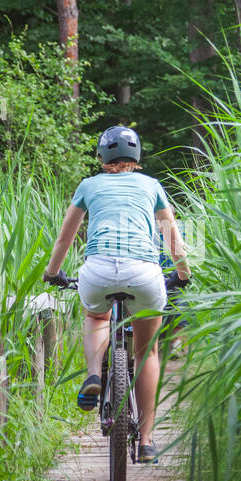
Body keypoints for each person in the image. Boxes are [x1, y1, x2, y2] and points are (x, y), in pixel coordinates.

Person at [43, 125, 190, 462]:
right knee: (147, 352)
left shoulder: (89, 186)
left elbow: (65, 239)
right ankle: (147, 442)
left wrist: (52, 274)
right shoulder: (152, 187)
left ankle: (94, 372)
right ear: (136, 158)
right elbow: (172, 237)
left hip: (99, 271)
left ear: (102, 157)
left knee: (96, 314)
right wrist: (183, 275)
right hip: (144, 273)